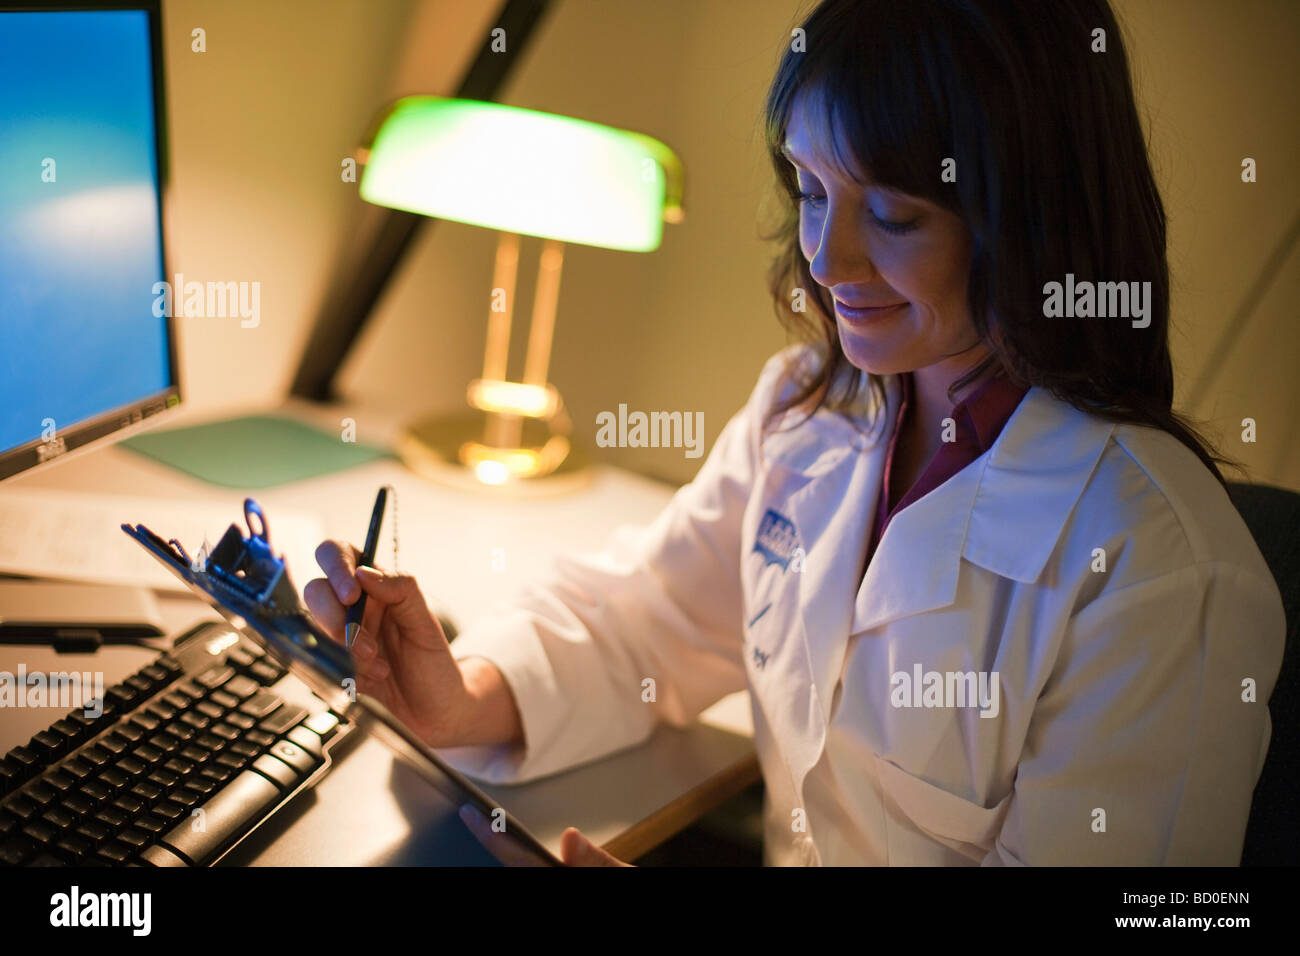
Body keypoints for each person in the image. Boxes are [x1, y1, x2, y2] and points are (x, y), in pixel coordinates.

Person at [306, 0, 1285, 866]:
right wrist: (463, 692)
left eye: (894, 214)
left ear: (1028, 218)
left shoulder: (1160, 571)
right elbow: (651, 619)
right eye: (811, 191)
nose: (824, 255)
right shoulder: (812, 411)